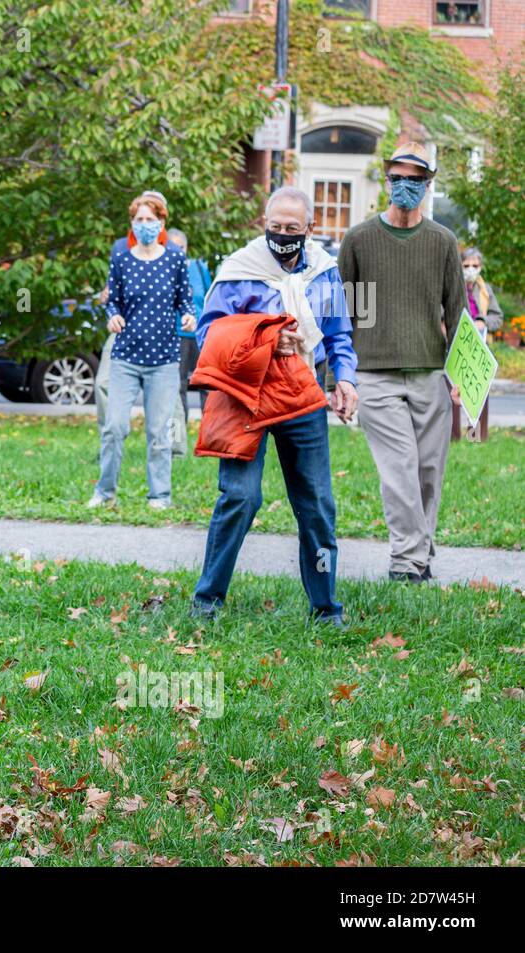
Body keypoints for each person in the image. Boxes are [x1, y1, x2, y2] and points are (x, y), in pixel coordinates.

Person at [190, 187, 358, 624]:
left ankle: (326, 609)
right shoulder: (240, 269)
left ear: (310, 229)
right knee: (241, 497)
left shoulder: (325, 272)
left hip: (302, 395)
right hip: (244, 396)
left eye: (292, 229)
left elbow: (339, 335)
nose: (283, 235)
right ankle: (207, 600)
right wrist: (265, 338)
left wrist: (346, 379)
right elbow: (208, 335)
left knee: (317, 502)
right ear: (264, 224)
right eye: (276, 227)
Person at [338, 142, 464, 583]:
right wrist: (342, 376)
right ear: (386, 181)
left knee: (429, 471)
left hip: (432, 373)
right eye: (398, 178)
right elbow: (350, 312)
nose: (405, 186)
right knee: (400, 470)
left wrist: (461, 375)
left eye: (415, 180)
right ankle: (405, 562)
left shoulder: (442, 242)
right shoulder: (359, 241)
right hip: (376, 374)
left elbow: (458, 314)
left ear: (428, 185)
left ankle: (418, 556)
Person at [89, 193, 194, 509]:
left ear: (161, 222)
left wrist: (189, 317)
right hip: (126, 358)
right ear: (132, 224)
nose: (145, 224)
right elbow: (113, 301)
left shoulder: (175, 259)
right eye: (139, 220)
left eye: (151, 219)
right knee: (114, 428)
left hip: (163, 360)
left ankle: (159, 495)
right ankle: (105, 492)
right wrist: (113, 317)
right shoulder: (121, 259)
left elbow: (184, 300)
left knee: (159, 432)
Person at [167, 227, 211, 456]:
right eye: (172, 248)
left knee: (207, 387)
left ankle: (210, 438)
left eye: (180, 248)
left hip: (200, 335)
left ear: (187, 248)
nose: (178, 252)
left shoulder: (198, 268)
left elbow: (210, 297)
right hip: (174, 336)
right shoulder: (163, 269)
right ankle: (176, 440)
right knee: (176, 389)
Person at [453, 247, 501, 441]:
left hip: (480, 350)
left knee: (478, 395)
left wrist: (483, 321)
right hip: (456, 347)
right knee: (453, 394)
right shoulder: (453, 286)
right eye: (467, 265)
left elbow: (497, 317)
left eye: (475, 265)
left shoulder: (485, 289)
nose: (471, 269)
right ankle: (452, 437)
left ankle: (476, 437)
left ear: (480, 267)